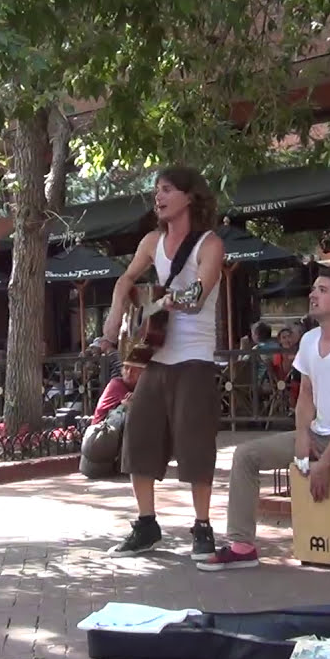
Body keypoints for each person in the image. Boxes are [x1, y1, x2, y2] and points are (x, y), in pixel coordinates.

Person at [199, 270, 330, 586]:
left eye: (322, 290)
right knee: (246, 455)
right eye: (313, 288)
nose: (313, 294)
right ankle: (242, 546)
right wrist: (303, 436)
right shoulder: (310, 341)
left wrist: (325, 463)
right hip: (319, 432)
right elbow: (306, 396)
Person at [99, 165, 224, 560]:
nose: (159, 196)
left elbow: (199, 294)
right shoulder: (152, 241)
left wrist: (177, 299)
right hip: (155, 356)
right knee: (139, 438)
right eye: (156, 190)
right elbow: (126, 281)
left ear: (189, 196)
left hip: (195, 358)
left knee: (195, 444)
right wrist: (115, 317)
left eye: (167, 189)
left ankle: (202, 528)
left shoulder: (210, 243)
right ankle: (147, 524)